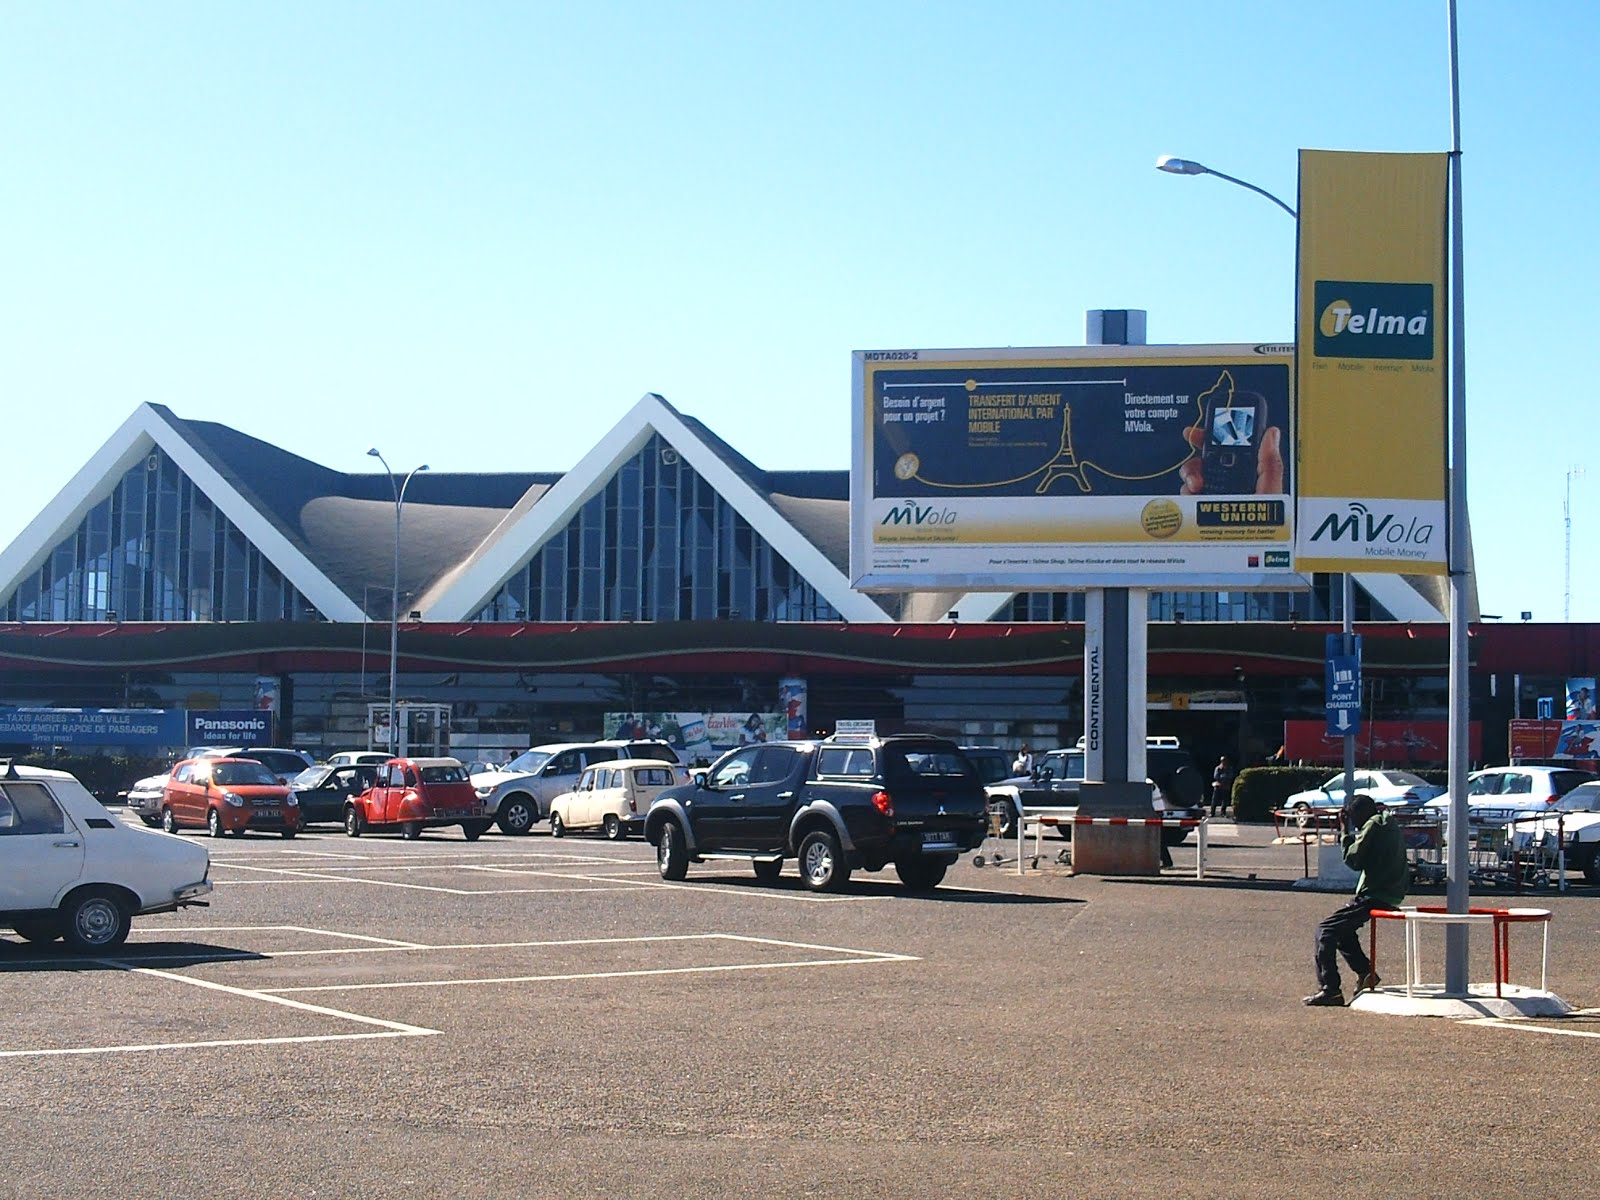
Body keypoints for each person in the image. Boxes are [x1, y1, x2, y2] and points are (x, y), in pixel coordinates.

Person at [1303, 793, 1408, 1007]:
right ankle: (1365, 973)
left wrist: (1344, 832)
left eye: (1352, 816)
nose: (1352, 821)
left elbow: (1353, 859)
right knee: (1343, 931)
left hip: (1375, 893)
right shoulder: (1388, 822)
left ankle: (1330, 989)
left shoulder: (1372, 826)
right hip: (1392, 891)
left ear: (1360, 812)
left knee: (1325, 930)